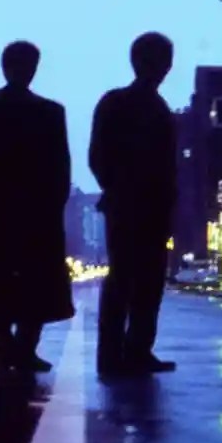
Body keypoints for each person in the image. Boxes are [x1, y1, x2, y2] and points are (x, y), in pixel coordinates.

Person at [0, 41, 75, 372]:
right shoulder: (50, 112)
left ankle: (4, 343)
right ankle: (23, 346)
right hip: (35, 215)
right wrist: (51, 206)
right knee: (35, 284)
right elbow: (60, 167)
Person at [89, 32, 179, 376]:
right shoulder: (150, 109)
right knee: (134, 279)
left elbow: (98, 155)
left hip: (139, 204)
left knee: (138, 280)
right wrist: (120, 187)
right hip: (137, 204)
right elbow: (99, 156)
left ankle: (126, 351)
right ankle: (126, 351)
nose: (163, 69)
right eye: (160, 61)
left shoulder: (125, 104)